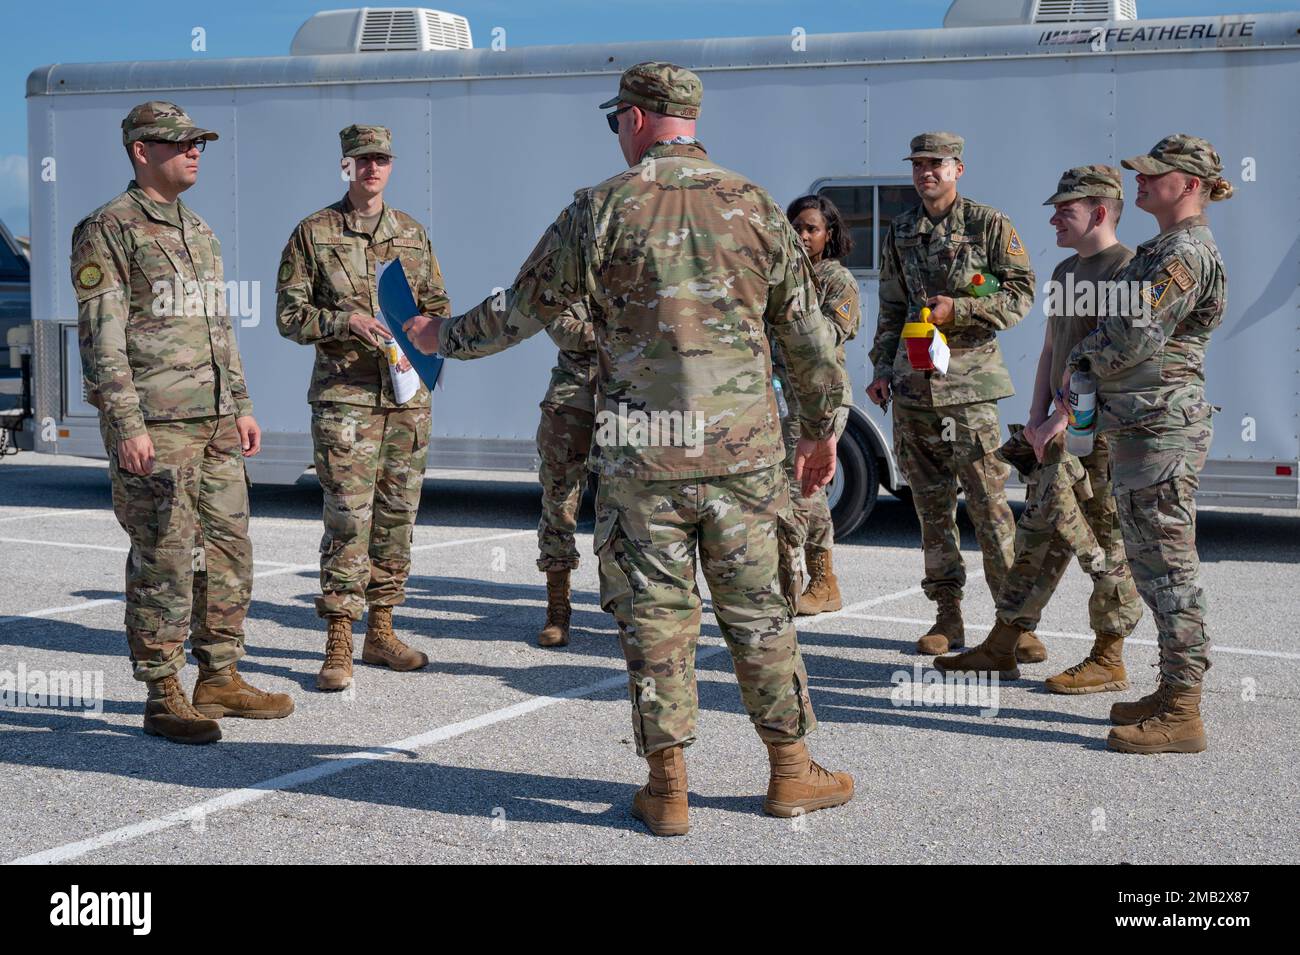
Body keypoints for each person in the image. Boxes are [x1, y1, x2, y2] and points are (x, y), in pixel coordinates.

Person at [403, 62, 854, 836]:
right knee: (760, 614)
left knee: (655, 622)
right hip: (744, 457)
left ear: (639, 119)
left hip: (640, 457)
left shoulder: (599, 209)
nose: (617, 131)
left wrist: (438, 336)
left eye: (618, 119)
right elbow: (809, 337)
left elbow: (522, 306)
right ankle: (789, 773)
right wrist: (820, 429)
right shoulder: (756, 206)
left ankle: (668, 789)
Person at [71, 101, 293, 743]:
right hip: (158, 423)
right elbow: (102, 338)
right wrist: (126, 424)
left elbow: (219, 328)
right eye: (179, 143)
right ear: (142, 150)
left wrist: (242, 403)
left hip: (217, 422)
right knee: (165, 555)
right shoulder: (107, 228)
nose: (194, 151)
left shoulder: (198, 229)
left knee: (229, 550)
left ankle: (219, 675)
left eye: (198, 142)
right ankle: (162, 691)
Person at [935, 166, 1144, 688]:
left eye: (1064, 210)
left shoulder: (1128, 270)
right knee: (1037, 541)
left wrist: (1062, 416)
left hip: (1101, 440)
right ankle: (1003, 645)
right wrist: (1035, 416)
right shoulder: (1064, 271)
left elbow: (1115, 359)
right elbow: (1052, 348)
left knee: (1103, 544)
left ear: (1098, 212)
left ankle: (1109, 656)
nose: (1052, 218)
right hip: (1057, 436)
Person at [275, 124, 450, 691]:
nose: (370, 169)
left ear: (391, 166)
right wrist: (342, 320)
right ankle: (338, 642)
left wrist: (423, 333)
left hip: (405, 396)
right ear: (345, 166)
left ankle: (381, 631)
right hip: (345, 397)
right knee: (349, 518)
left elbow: (438, 305)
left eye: (380, 159)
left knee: (398, 515)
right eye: (360, 160)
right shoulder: (314, 232)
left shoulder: (413, 235)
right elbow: (289, 316)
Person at [1071, 135, 1231, 753]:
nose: (1137, 182)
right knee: (1149, 562)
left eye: (1152, 175)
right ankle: (1170, 692)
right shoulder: (1160, 249)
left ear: (1189, 185)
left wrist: (1081, 359)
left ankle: (1184, 711)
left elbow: (1133, 335)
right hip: (1139, 425)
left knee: (1169, 567)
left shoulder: (1184, 255)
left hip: (1163, 428)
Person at [867, 132, 1042, 662]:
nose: (926, 172)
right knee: (931, 507)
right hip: (913, 386)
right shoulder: (900, 229)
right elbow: (891, 306)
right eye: (918, 164)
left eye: (936, 164)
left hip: (970, 389)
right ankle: (947, 616)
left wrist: (960, 310)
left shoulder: (988, 225)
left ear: (958, 168)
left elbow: (1020, 291)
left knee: (990, 507)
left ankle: (1015, 625)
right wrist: (880, 367)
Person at [776, 195, 861, 616]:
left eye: (812, 228)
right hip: (782, 396)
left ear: (829, 235)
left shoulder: (836, 279)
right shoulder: (781, 276)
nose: (803, 235)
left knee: (800, 488)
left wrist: (790, 313)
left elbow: (829, 336)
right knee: (807, 490)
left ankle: (803, 584)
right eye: (796, 226)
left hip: (821, 398)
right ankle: (822, 581)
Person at [534, 302, 598, 647]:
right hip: (572, 401)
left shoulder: (643, 258)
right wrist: (620, 333)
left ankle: (631, 609)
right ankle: (558, 609)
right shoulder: (568, 260)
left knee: (632, 510)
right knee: (559, 503)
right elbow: (558, 325)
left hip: (631, 401)